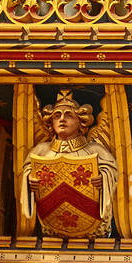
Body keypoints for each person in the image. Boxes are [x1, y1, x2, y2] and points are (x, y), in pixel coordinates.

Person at [21, 89, 118, 237]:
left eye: (69, 115)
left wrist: (103, 179)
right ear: (50, 122)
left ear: (80, 122)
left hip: (93, 229)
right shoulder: (40, 151)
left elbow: (112, 172)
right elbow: (28, 170)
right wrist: (29, 182)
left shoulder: (95, 150)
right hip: (52, 227)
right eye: (57, 116)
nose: (62, 119)